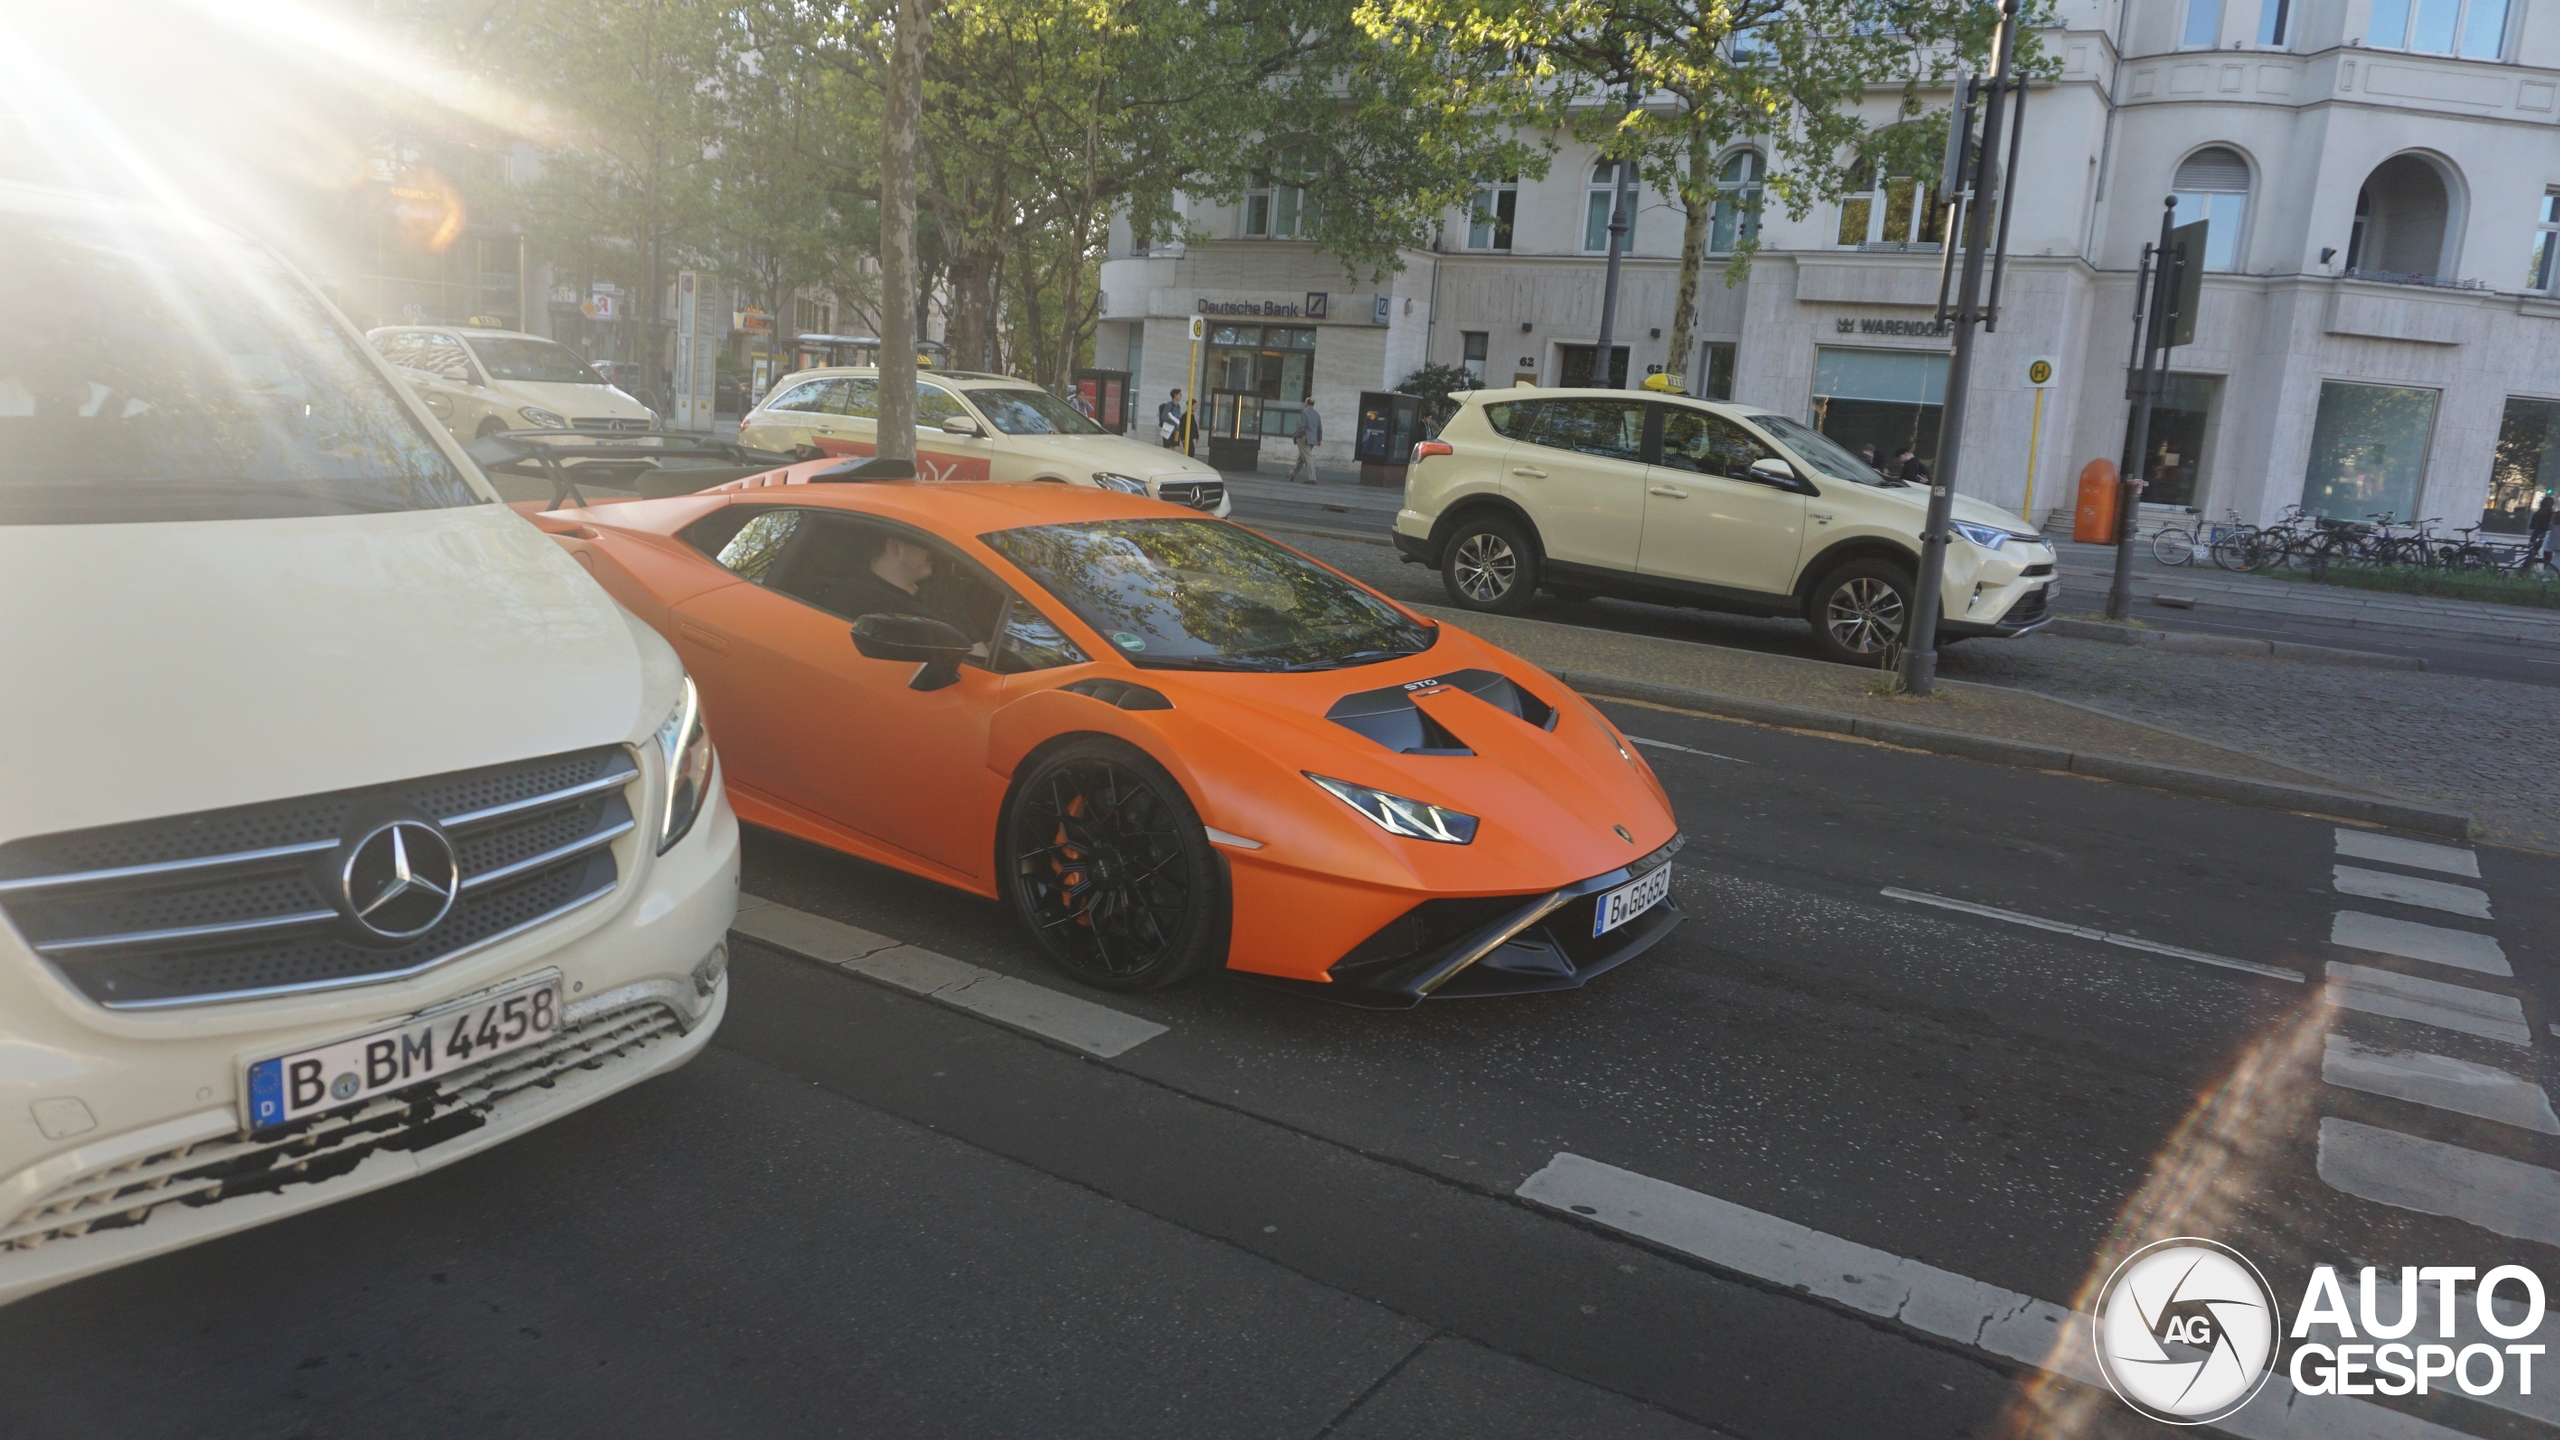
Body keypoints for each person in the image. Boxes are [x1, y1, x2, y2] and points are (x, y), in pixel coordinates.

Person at [1289, 397, 1323, 485]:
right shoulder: (1317, 414)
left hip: (1303, 437)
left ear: (1307, 403)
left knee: (1307, 457)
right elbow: (1320, 428)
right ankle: (1292, 473)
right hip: (1312, 439)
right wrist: (1319, 439)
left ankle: (1312, 478)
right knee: (1301, 457)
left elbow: (1300, 426)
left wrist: (1297, 435)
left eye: (1305, 402)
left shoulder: (1304, 413)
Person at [2526, 491, 2556, 569]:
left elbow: (2531, 526)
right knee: (2547, 555)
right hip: (2547, 536)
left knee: (2532, 553)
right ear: (2552, 505)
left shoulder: (2537, 513)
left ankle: (2524, 569)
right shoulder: (2552, 515)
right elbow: (2552, 527)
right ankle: (2546, 570)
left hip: (2536, 534)